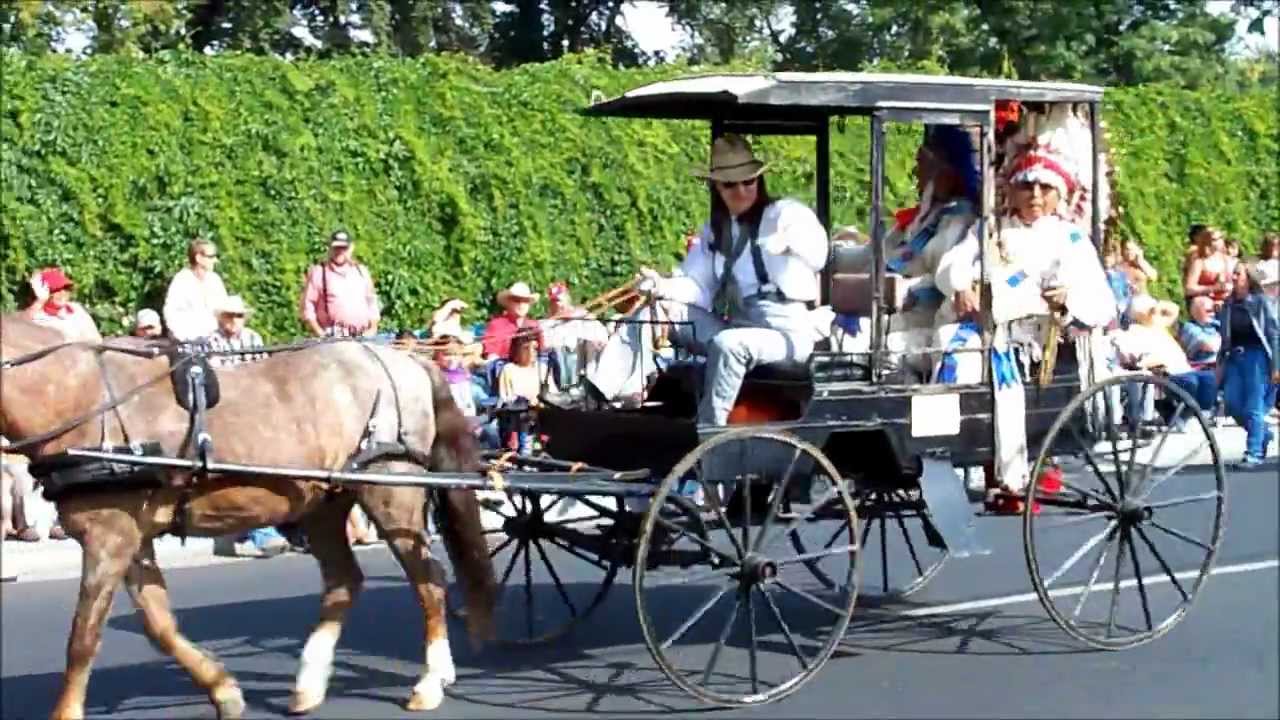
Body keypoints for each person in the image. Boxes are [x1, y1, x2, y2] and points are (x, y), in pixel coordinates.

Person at [932, 108, 1116, 508]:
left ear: (1059, 194)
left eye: (1044, 188)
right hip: (984, 330)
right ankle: (958, 457)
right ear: (1010, 190)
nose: (1034, 196)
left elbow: (1100, 300)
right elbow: (952, 266)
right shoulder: (990, 230)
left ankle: (1012, 470)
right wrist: (961, 285)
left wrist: (1068, 300)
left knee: (982, 362)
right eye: (1026, 187)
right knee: (947, 350)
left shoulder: (1069, 239)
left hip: (1035, 341)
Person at [586, 133, 829, 425]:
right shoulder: (715, 232)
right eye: (730, 185)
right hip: (739, 325)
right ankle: (598, 395)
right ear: (717, 187)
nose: (741, 191)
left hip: (787, 334)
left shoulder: (785, 214)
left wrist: (790, 239)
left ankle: (710, 435)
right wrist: (660, 286)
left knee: (729, 344)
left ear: (759, 181)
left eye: (748, 182)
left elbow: (819, 254)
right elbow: (697, 288)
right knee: (661, 309)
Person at [1114, 295, 1217, 431]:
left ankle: (1196, 414)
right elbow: (1136, 359)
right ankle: (1181, 418)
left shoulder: (1157, 325)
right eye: (1150, 309)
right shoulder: (1133, 331)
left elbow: (1174, 309)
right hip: (1167, 372)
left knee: (1210, 378)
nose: (1154, 312)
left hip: (1184, 369)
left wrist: (1156, 307)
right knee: (1191, 382)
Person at [1216, 262, 1279, 468]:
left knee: (1254, 406)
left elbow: (1273, 334)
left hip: (1257, 357)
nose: (1233, 277)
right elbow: (1224, 338)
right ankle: (1263, 434)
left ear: (1248, 278)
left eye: (1238, 274)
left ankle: (1253, 452)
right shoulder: (1228, 304)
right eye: (1233, 273)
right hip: (1234, 357)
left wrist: (1276, 365)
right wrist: (1219, 365)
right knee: (1233, 404)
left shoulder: (1260, 301)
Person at [300, 230, 380, 338]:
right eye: (336, 248)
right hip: (332, 337)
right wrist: (319, 332)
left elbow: (372, 301)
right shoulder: (319, 272)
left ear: (351, 248)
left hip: (363, 335)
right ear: (330, 248)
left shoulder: (361, 271)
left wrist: (373, 327)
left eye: (344, 248)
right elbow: (307, 307)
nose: (340, 252)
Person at [541, 281, 610, 390]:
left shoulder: (583, 317)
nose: (558, 304)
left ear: (568, 299)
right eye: (554, 301)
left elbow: (602, 339)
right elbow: (544, 346)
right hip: (557, 370)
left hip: (585, 368)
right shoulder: (546, 324)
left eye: (559, 300)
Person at [164, 237, 229, 342]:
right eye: (211, 257)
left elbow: (224, 310)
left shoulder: (215, 280)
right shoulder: (182, 281)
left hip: (216, 340)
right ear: (198, 258)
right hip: (189, 341)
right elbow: (171, 314)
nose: (215, 260)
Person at [24, 267, 102, 342]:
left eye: (66, 289)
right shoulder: (38, 318)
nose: (62, 293)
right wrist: (40, 301)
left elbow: (96, 340)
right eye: (56, 290)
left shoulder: (76, 309)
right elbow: (22, 324)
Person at [480, 282, 544, 361]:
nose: (521, 304)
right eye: (517, 300)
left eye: (525, 301)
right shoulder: (496, 325)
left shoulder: (534, 326)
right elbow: (491, 356)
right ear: (508, 302)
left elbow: (541, 353)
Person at [1183, 226, 1236, 311]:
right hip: (1204, 304)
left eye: (1221, 238)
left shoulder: (1227, 260)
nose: (1219, 242)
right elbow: (1189, 289)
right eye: (1215, 240)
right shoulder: (1200, 261)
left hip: (1225, 303)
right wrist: (1214, 288)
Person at [205, 296, 266, 366]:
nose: (234, 320)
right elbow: (216, 371)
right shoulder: (213, 340)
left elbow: (263, 365)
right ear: (221, 318)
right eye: (230, 315)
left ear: (244, 319)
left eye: (239, 316)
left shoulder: (253, 337)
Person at [1178, 296, 1222, 371]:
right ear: (1196, 311)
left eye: (1214, 310)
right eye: (1208, 311)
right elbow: (1212, 346)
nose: (1213, 314)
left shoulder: (1215, 324)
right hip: (1205, 368)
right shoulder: (1189, 327)